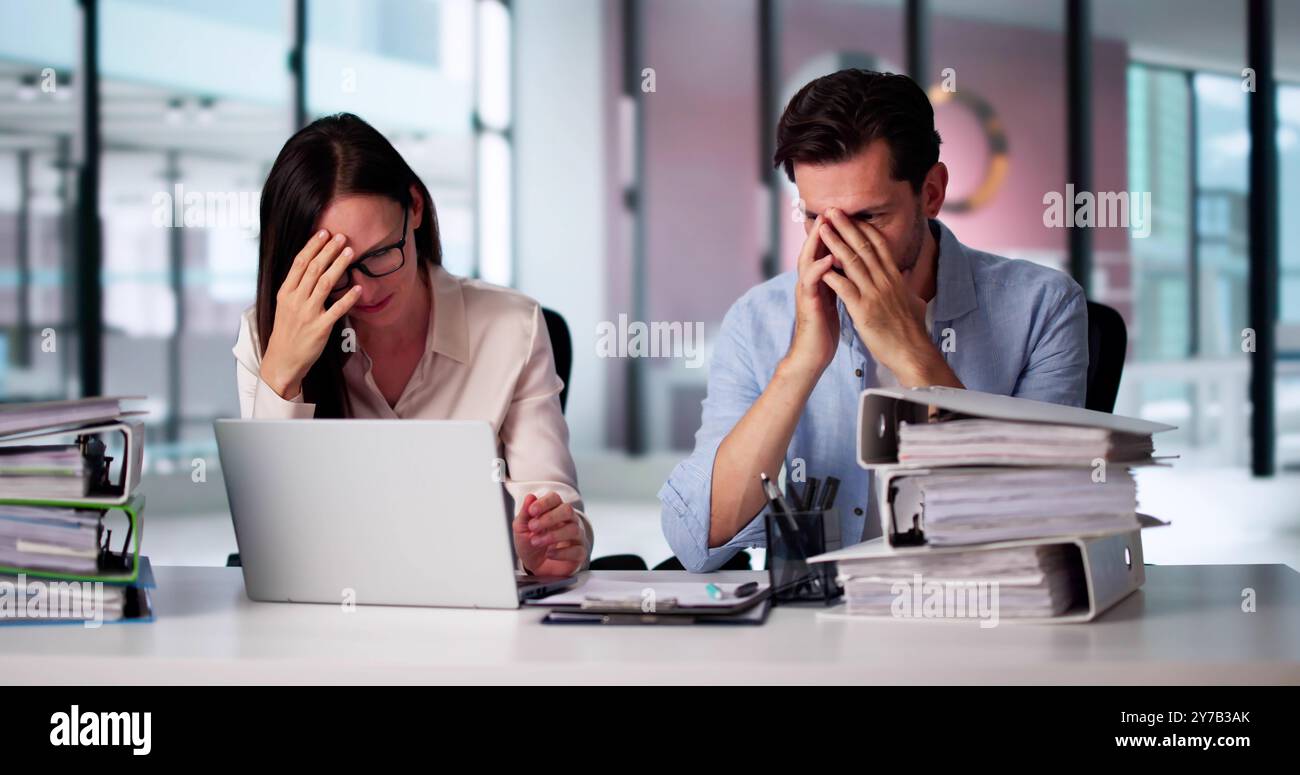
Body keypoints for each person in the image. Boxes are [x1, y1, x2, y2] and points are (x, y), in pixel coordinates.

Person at [660, 69, 1089, 572]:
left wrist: (913, 354)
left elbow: (1040, 521)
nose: (840, 246)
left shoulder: (1043, 307)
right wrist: (800, 364)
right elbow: (698, 540)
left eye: (868, 219)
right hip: (815, 627)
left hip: (980, 609)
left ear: (930, 193)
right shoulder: (758, 318)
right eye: (817, 217)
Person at [232, 113, 591, 577]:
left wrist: (554, 544)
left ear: (415, 208)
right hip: (328, 618)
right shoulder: (266, 337)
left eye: (380, 253)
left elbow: (555, 506)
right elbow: (273, 546)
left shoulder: (511, 326)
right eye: (335, 271)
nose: (365, 289)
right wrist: (281, 377)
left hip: (476, 617)